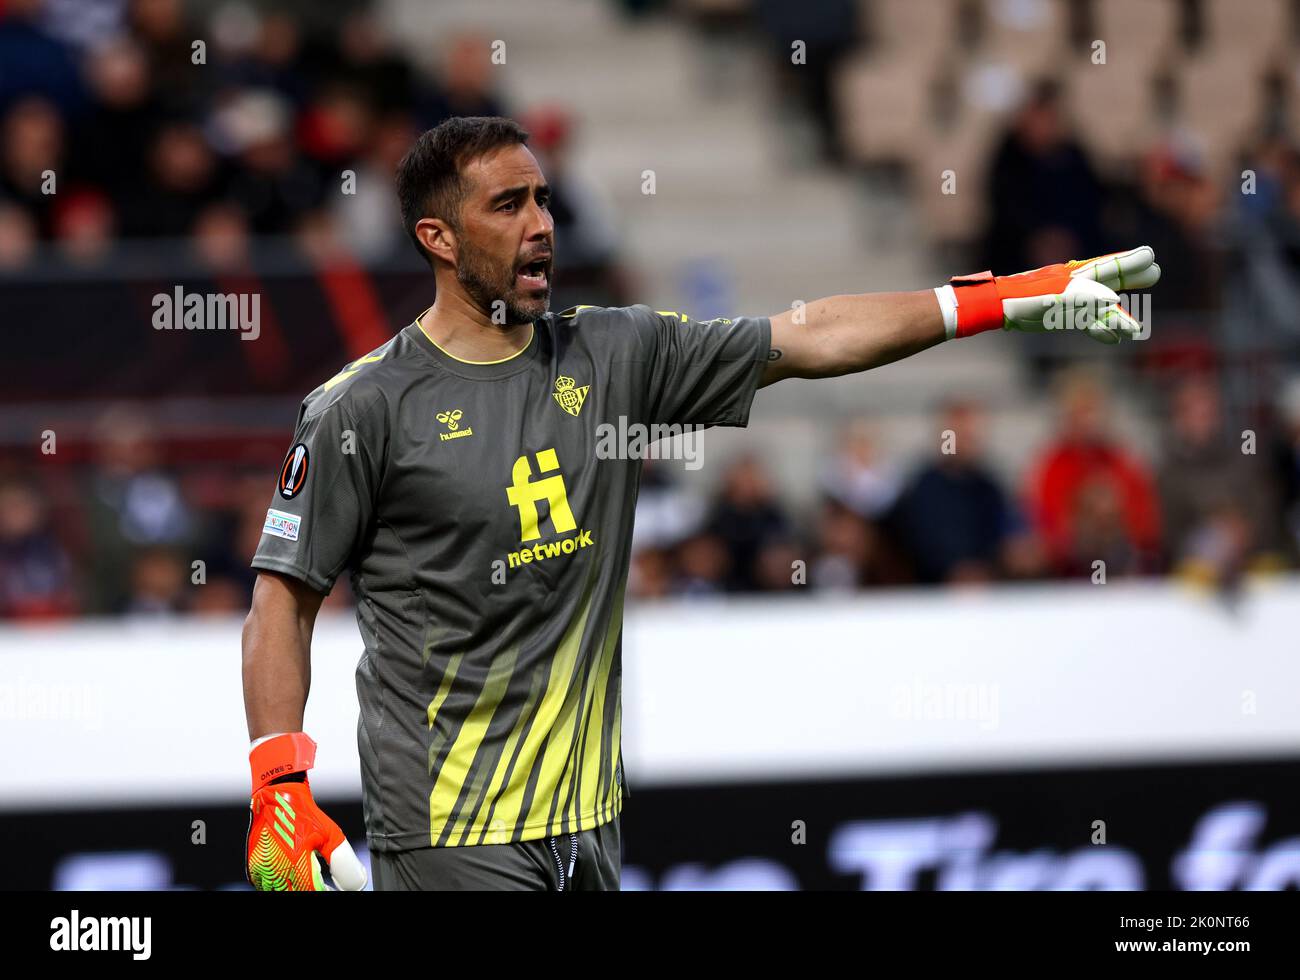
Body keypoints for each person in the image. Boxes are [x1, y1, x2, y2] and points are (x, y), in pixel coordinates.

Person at [241, 115, 1160, 891]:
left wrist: (1009, 296)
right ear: (438, 239)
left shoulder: (612, 354)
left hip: (586, 821)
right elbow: (284, 598)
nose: (541, 225)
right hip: (449, 830)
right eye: (507, 205)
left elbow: (811, 336)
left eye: (544, 199)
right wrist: (279, 783)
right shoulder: (361, 408)